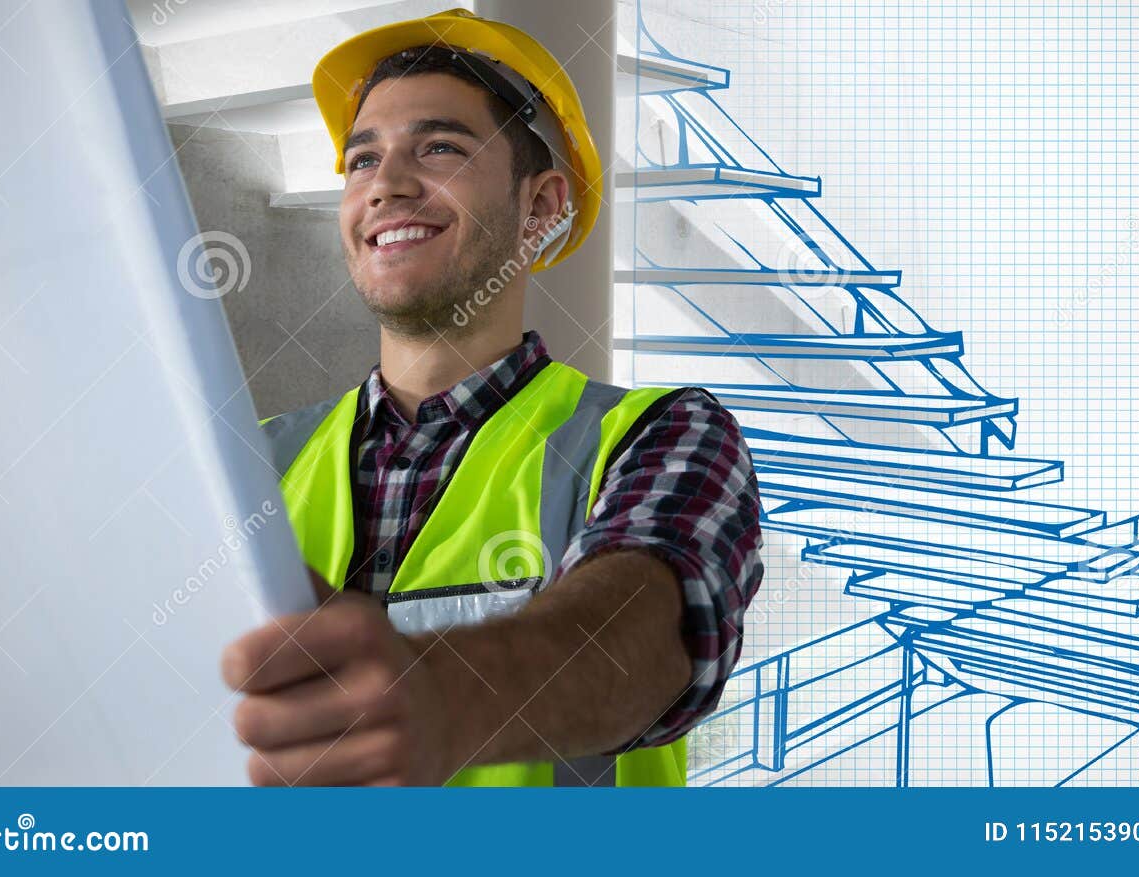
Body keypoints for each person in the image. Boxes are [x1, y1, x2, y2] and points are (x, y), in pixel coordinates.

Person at [218, 8, 763, 787]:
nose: (386, 185)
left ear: (539, 206)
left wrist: (439, 697)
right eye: (362, 159)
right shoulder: (249, 459)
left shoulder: (658, 434)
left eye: (438, 147)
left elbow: (649, 634)